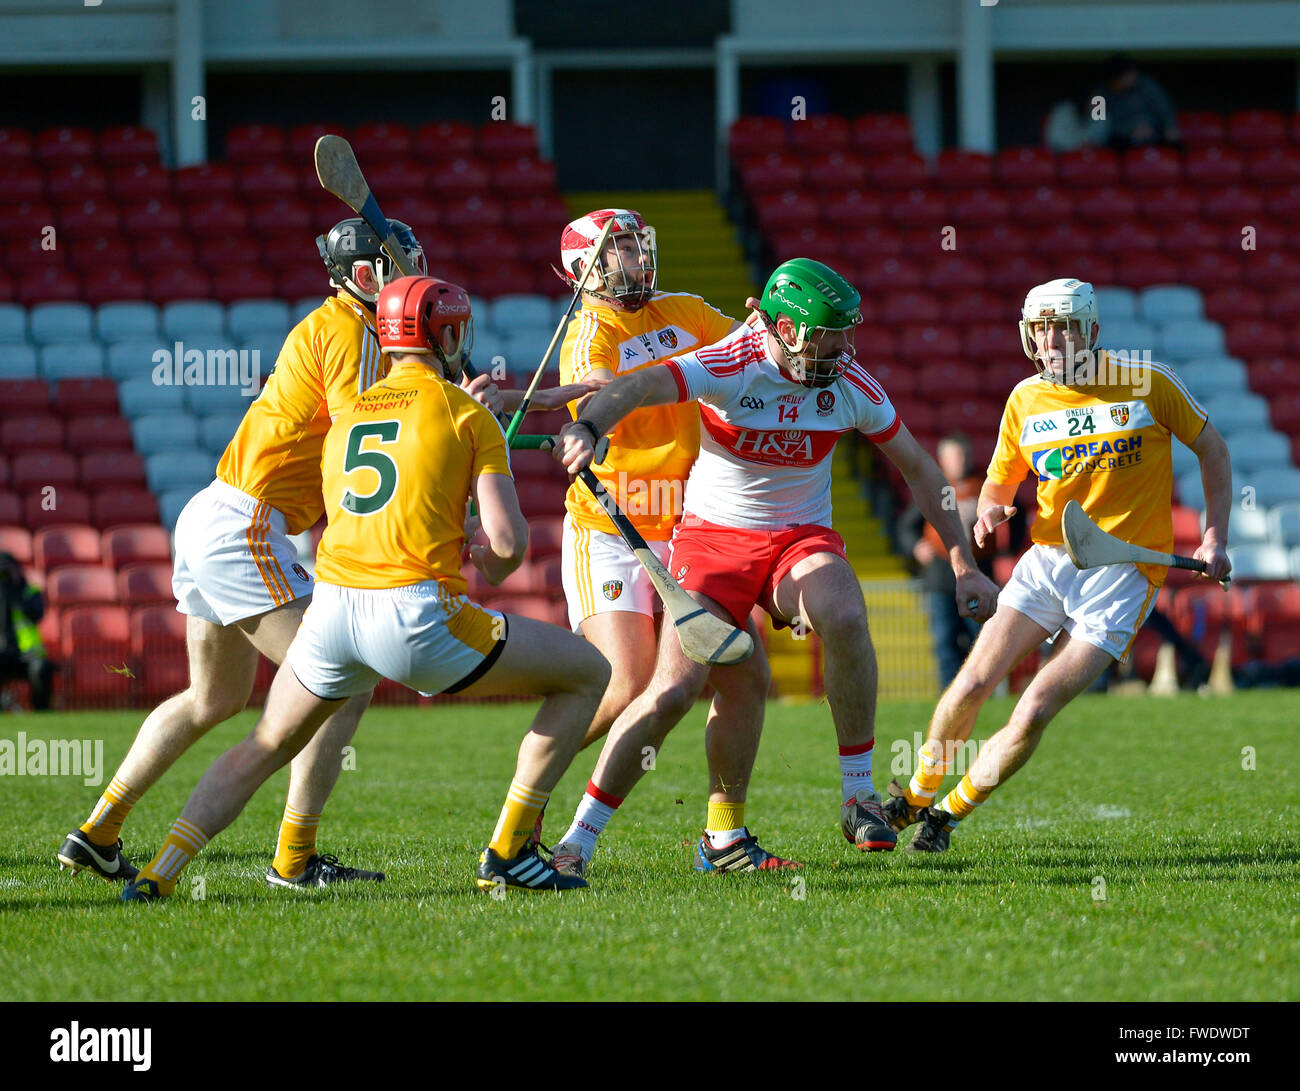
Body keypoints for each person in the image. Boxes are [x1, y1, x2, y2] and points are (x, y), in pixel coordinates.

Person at [59, 217, 588, 889]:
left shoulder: (341, 326)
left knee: (213, 697)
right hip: (250, 527)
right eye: (397, 266)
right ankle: (294, 856)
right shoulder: (349, 334)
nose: (409, 277)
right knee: (341, 682)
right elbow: (378, 433)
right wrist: (460, 411)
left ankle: (100, 830)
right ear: (365, 276)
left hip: (216, 514)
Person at [552, 258, 999, 874]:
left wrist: (962, 563)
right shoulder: (732, 363)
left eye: (847, 333)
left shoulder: (849, 385)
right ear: (785, 330)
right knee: (673, 691)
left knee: (842, 610)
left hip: (800, 538)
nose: (843, 348)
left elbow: (920, 470)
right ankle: (580, 840)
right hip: (713, 542)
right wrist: (591, 424)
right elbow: (644, 385)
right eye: (828, 335)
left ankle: (858, 793)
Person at [885, 278, 1231, 852]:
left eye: (1065, 327)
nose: (1052, 340)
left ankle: (945, 816)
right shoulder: (1024, 399)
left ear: (1091, 332)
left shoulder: (1146, 383)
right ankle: (915, 795)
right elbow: (1001, 482)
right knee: (972, 681)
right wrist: (988, 515)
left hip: (1123, 577)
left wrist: (1214, 537)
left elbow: (1213, 451)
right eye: (1041, 329)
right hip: (1048, 561)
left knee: (1034, 707)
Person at [544, 208, 770, 875]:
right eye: (618, 250)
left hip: (691, 528)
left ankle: (723, 838)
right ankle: (533, 795)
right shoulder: (593, 326)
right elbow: (596, 389)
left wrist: (767, 334)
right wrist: (523, 399)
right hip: (609, 526)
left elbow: (746, 356)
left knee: (746, 673)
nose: (636, 259)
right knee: (625, 685)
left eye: (637, 246)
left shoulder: (685, 309)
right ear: (584, 269)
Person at [896, 433, 990, 688]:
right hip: (941, 575)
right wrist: (916, 546)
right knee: (945, 637)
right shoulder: (935, 486)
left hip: (977, 571)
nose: (959, 461)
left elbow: (1011, 520)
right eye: (954, 456)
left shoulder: (982, 486)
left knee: (978, 638)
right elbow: (907, 526)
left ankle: (981, 690)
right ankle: (949, 692)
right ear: (942, 460)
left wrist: (1004, 549)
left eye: (963, 455)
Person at [0, 552, 54, 711]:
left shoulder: (29, 592)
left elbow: (36, 614)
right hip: (2, 654)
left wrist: (15, 593)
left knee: (41, 667)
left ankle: (41, 711)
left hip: (27, 655)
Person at [1093, 54, 1180, 149]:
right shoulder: (1100, 96)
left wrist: (1167, 127)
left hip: (1153, 132)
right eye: (1128, 75)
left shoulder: (1148, 86)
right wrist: (1130, 130)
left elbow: (1165, 110)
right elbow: (1099, 126)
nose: (1133, 76)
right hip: (1120, 140)